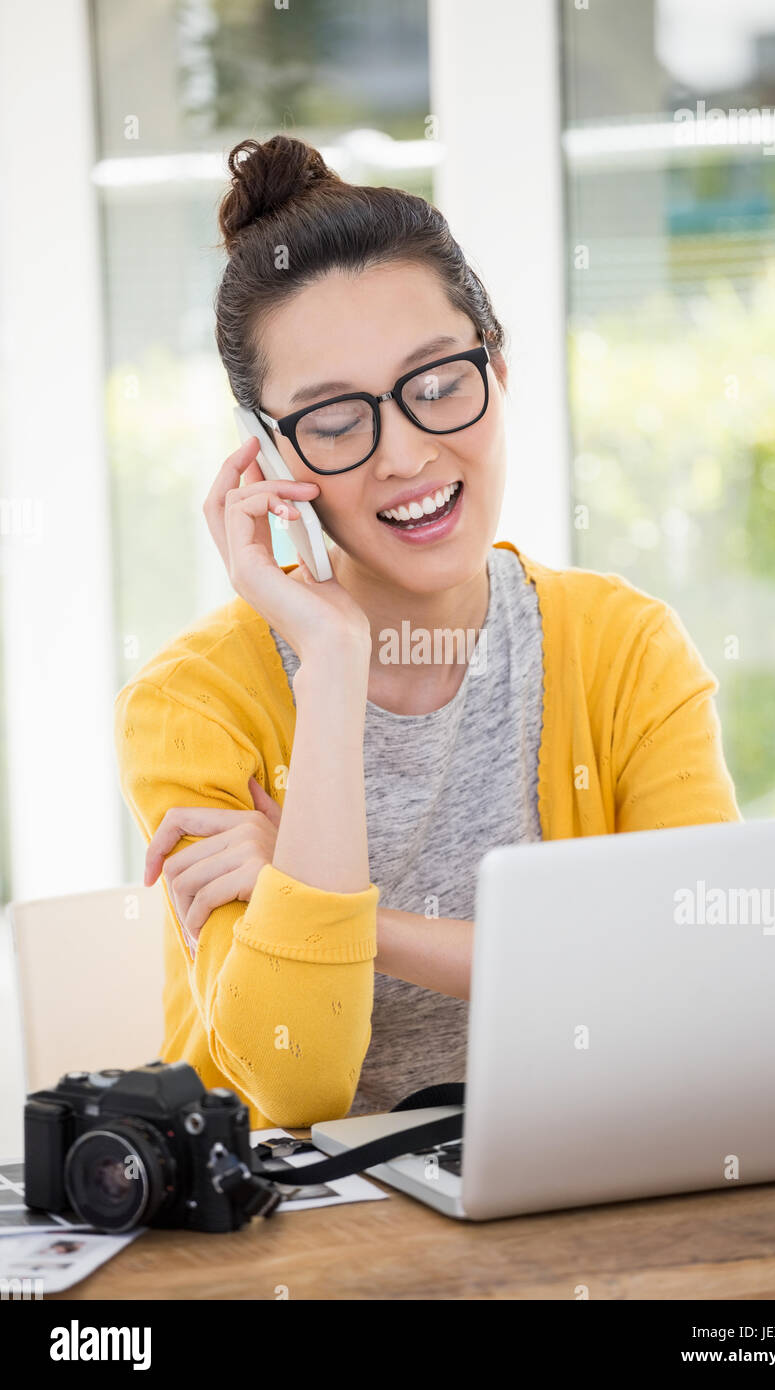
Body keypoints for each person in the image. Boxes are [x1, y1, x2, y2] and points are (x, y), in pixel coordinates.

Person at [115, 134, 740, 1131]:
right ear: (270, 453)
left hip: (577, 1192)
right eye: (331, 420)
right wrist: (328, 661)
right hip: (297, 1245)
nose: (403, 452)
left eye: (438, 381)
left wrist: (336, 912)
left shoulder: (624, 648)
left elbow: (696, 982)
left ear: (495, 362)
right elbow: (292, 1081)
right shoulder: (193, 701)